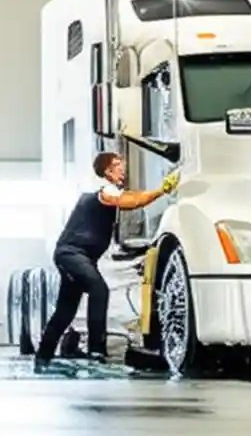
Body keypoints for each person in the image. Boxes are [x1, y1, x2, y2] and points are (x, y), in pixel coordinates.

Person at [34, 152, 179, 371]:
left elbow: (131, 196)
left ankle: (43, 355)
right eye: (117, 166)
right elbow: (132, 201)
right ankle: (96, 350)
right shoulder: (106, 191)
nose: (123, 169)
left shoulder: (109, 191)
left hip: (76, 256)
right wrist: (162, 190)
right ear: (107, 172)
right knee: (98, 289)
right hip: (73, 254)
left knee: (65, 310)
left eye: (123, 164)